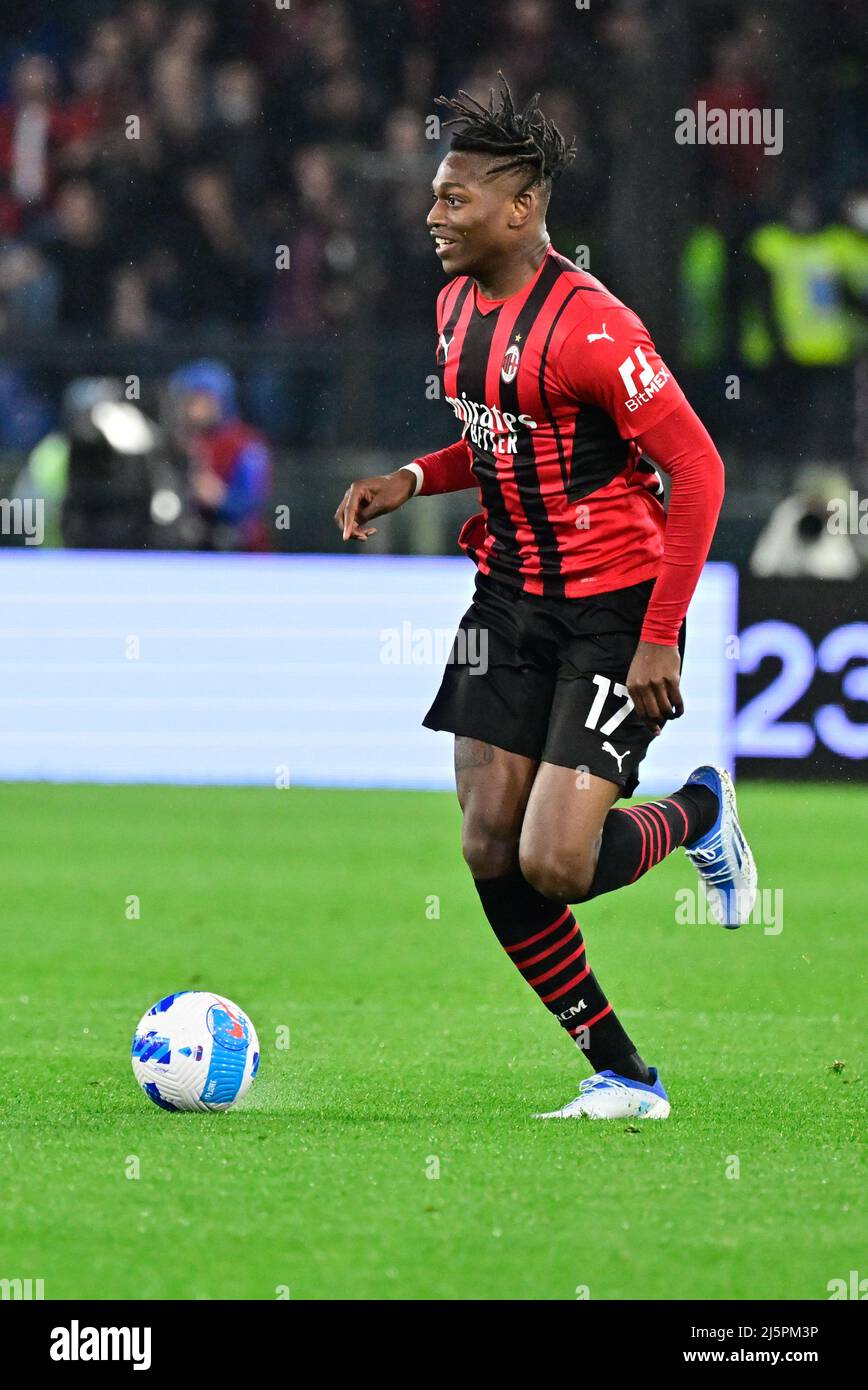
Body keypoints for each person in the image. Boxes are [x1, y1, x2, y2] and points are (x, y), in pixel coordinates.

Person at [334, 77, 756, 1121]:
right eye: (434, 196)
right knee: (486, 845)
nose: (433, 215)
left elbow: (698, 471)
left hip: (614, 610)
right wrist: (412, 480)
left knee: (554, 862)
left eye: (453, 198)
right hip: (508, 596)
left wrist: (659, 635)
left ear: (517, 209)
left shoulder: (595, 330)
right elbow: (498, 439)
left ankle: (700, 811)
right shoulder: (453, 306)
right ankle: (621, 1073)